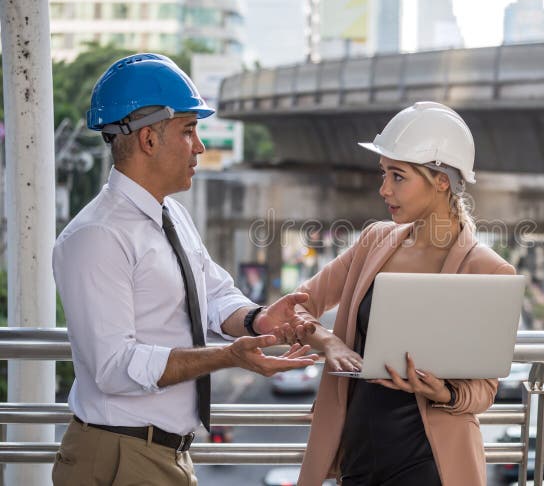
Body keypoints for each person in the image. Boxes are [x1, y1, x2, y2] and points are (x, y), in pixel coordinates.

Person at [51, 53, 318, 486]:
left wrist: (258, 320)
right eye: (189, 130)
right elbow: (115, 367)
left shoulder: (172, 214)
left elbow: (214, 295)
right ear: (148, 141)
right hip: (120, 456)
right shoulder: (96, 236)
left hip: (163, 453)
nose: (200, 147)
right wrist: (227, 357)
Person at [292, 102, 517, 486]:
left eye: (398, 177)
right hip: (357, 459)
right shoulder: (374, 241)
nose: (384, 189)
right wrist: (328, 343)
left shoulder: (488, 270)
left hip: (429, 466)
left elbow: (484, 391)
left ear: (441, 180)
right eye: (384, 175)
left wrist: (443, 392)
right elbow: (298, 306)